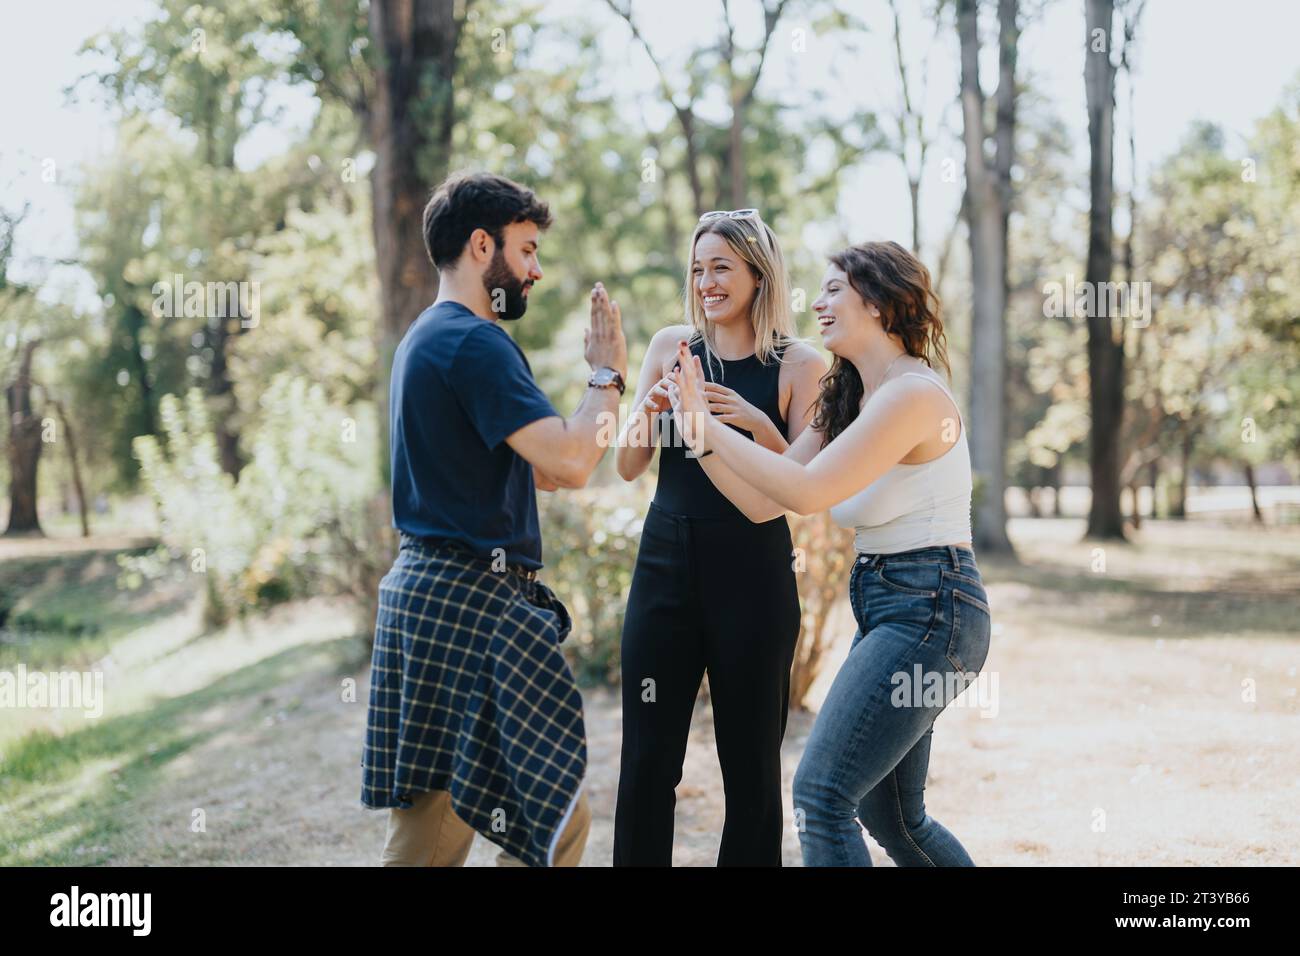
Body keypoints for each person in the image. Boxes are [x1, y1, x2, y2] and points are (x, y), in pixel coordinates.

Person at [665, 240, 992, 867]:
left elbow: (808, 491)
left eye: (834, 289)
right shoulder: (851, 393)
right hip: (894, 608)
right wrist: (702, 437)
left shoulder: (911, 396)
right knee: (892, 814)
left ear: (878, 301)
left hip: (932, 608)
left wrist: (706, 430)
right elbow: (769, 497)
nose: (815, 304)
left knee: (821, 794)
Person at [361, 171, 628, 867]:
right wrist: (606, 378)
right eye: (529, 249)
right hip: (469, 603)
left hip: (443, 596)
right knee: (541, 814)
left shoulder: (432, 336)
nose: (537, 270)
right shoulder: (473, 343)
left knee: (472, 825)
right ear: (484, 246)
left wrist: (615, 412)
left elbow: (545, 467)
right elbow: (571, 464)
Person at [611, 209, 826, 865]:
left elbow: (802, 480)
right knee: (647, 761)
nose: (706, 282)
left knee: (752, 768)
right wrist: (646, 415)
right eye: (699, 269)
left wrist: (757, 423)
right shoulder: (671, 348)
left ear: (760, 274)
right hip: (663, 573)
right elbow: (626, 467)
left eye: (721, 268)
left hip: (755, 581)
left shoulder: (801, 366)